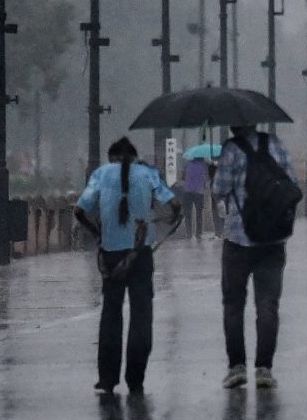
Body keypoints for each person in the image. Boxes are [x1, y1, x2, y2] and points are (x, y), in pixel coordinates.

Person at [74, 137, 176, 396]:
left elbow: (79, 211)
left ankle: (108, 378)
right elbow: (175, 206)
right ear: (133, 156)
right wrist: (162, 221)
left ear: (112, 158)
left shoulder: (101, 174)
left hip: (111, 257)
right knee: (142, 314)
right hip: (140, 254)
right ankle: (136, 379)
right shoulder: (148, 174)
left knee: (111, 314)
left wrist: (97, 233)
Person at [215, 124, 297, 389]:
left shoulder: (231, 149)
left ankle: (237, 367)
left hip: (238, 239)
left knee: (233, 305)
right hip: (273, 239)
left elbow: (220, 189)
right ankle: (264, 368)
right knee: (268, 305)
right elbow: (292, 184)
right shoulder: (275, 144)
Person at [181, 151, 211, 238]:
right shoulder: (204, 166)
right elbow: (206, 178)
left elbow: (183, 177)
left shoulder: (187, 164)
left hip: (187, 191)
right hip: (199, 192)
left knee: (188, 214)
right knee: (199, 214)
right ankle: (198, 234)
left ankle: (189, 234)